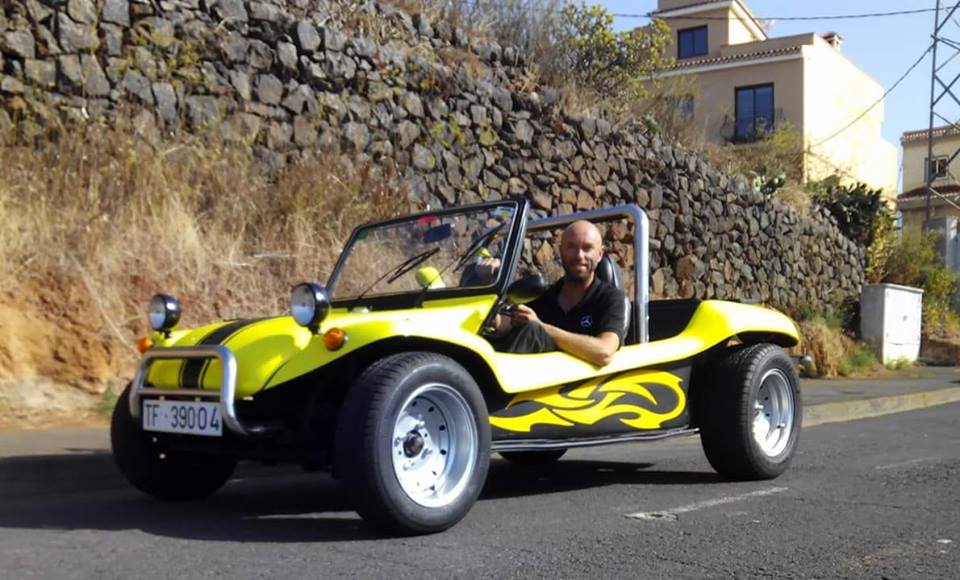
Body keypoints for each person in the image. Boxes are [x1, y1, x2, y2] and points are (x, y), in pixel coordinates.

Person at [488, 220, 626, 367]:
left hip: (584, 385)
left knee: (533, 330)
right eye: (572, 247)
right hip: (537, 381)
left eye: (587, 248)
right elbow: (504, 323)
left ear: (600, 254)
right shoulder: (544, 296)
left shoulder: (610, 298)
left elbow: (604, 352)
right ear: (561, 251)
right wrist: (489, 282)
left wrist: (543, 328)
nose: (579, 255)